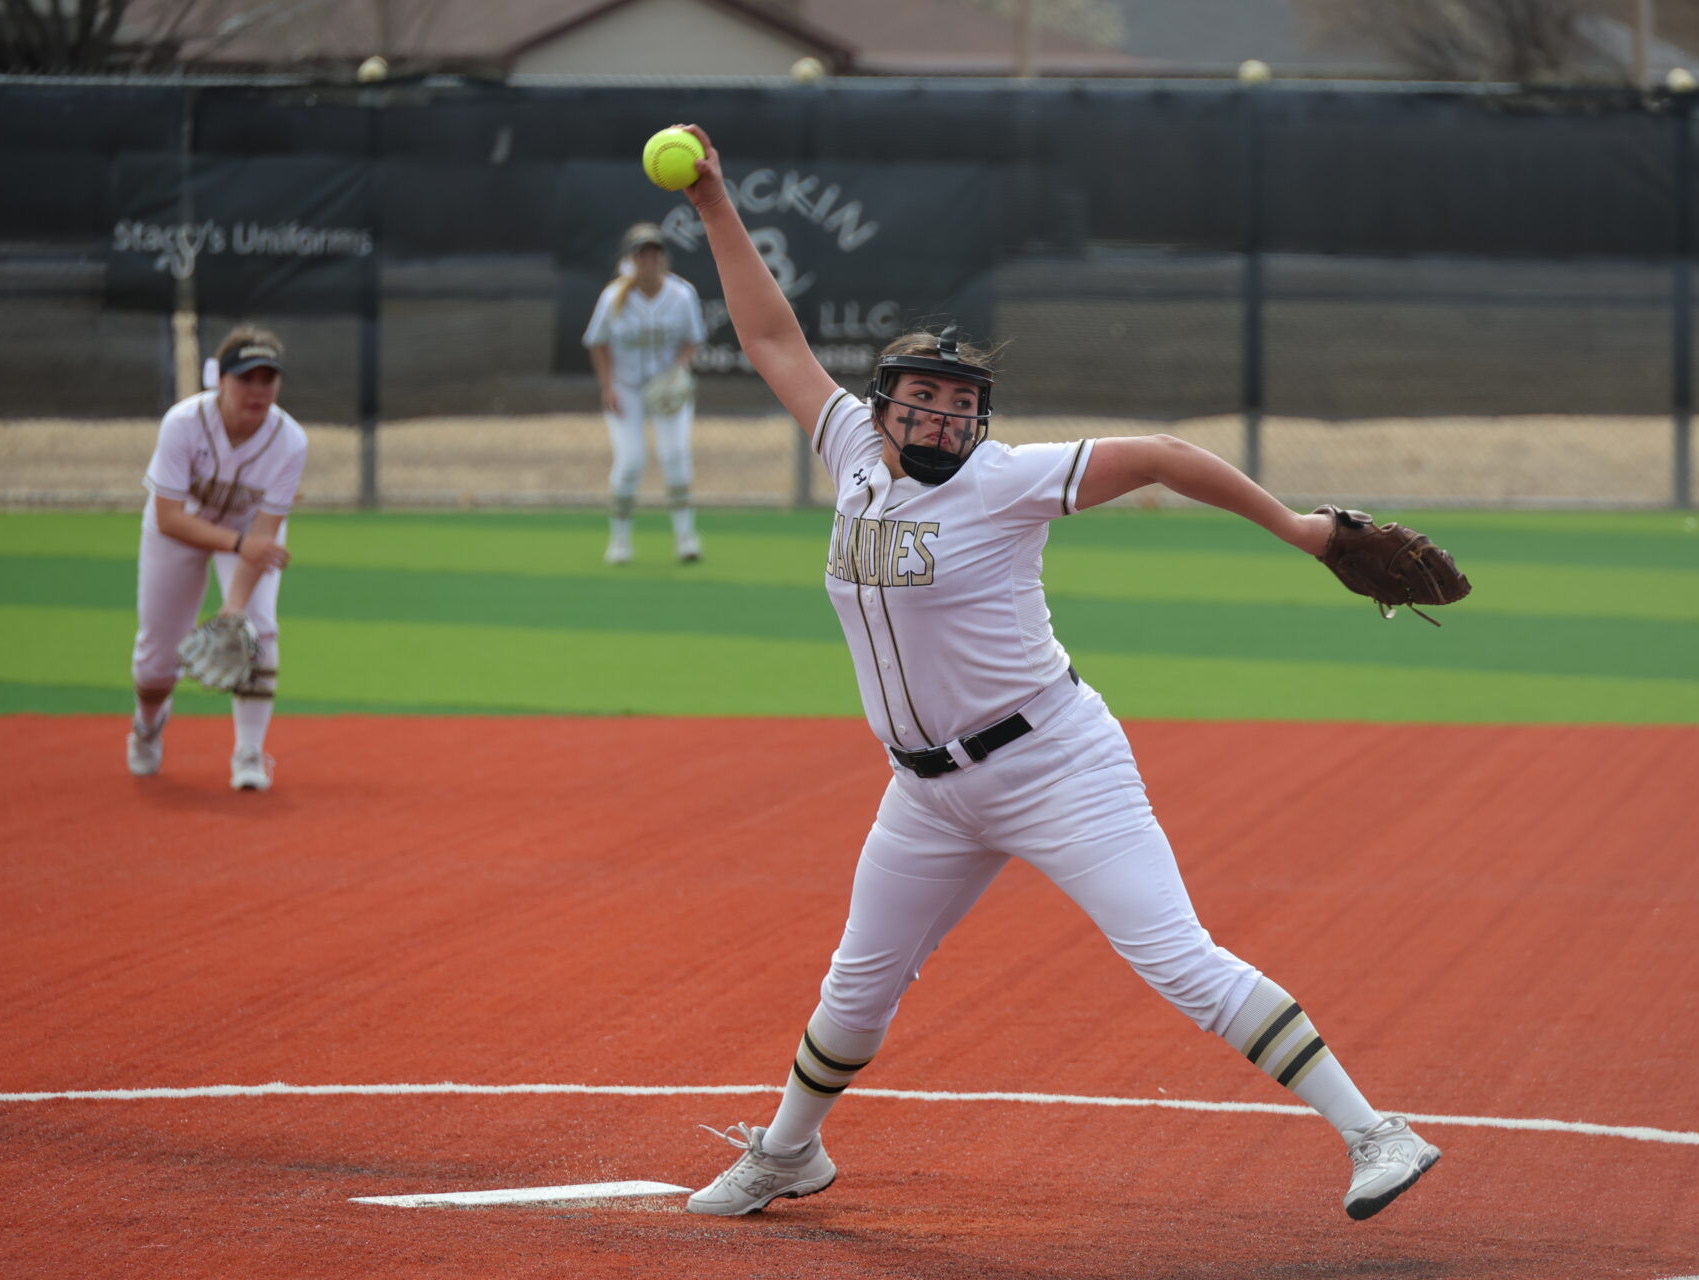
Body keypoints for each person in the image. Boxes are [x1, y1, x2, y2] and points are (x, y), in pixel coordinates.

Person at [672, 124, 1442, 1222]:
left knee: (1175, 957)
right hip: (925, 791)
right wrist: (713, 201)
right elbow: (769, 336)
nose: (942, 415)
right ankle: (791, 1152)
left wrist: (1303, 530)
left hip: (1054, 763)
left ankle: (1377, 1132)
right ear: (883, 403)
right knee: (858, 982)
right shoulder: (848, 450)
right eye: (922, 397)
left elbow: (1165, 456)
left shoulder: (1006, 480)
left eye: (960, 403)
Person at [127, 326, 306, 792]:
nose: (258, 390)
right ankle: (147, 724)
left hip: (249, 534)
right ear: (221, 380)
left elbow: (263, 534)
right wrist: (237, 544)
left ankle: (249, 751)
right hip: (181, 528)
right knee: (156, 657)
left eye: (268, 378)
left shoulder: (290, 442)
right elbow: (168, 518)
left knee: (258, 630)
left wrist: (234, 608)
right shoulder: (184, 423)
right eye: (247, 378)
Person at [584, 222, 707, 565]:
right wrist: (608, 386)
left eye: (655, 253)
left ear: (664, 258)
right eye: (642, 254)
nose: (649, 260)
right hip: (626, 388)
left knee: (676, 459)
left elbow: (693, 339)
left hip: (666, 390)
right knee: (630, 463)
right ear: (631, 259)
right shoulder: (614, 297)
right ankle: (620, 540)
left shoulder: (681, 295)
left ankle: (686, 538)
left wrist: (680, 368)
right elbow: (598, 343)